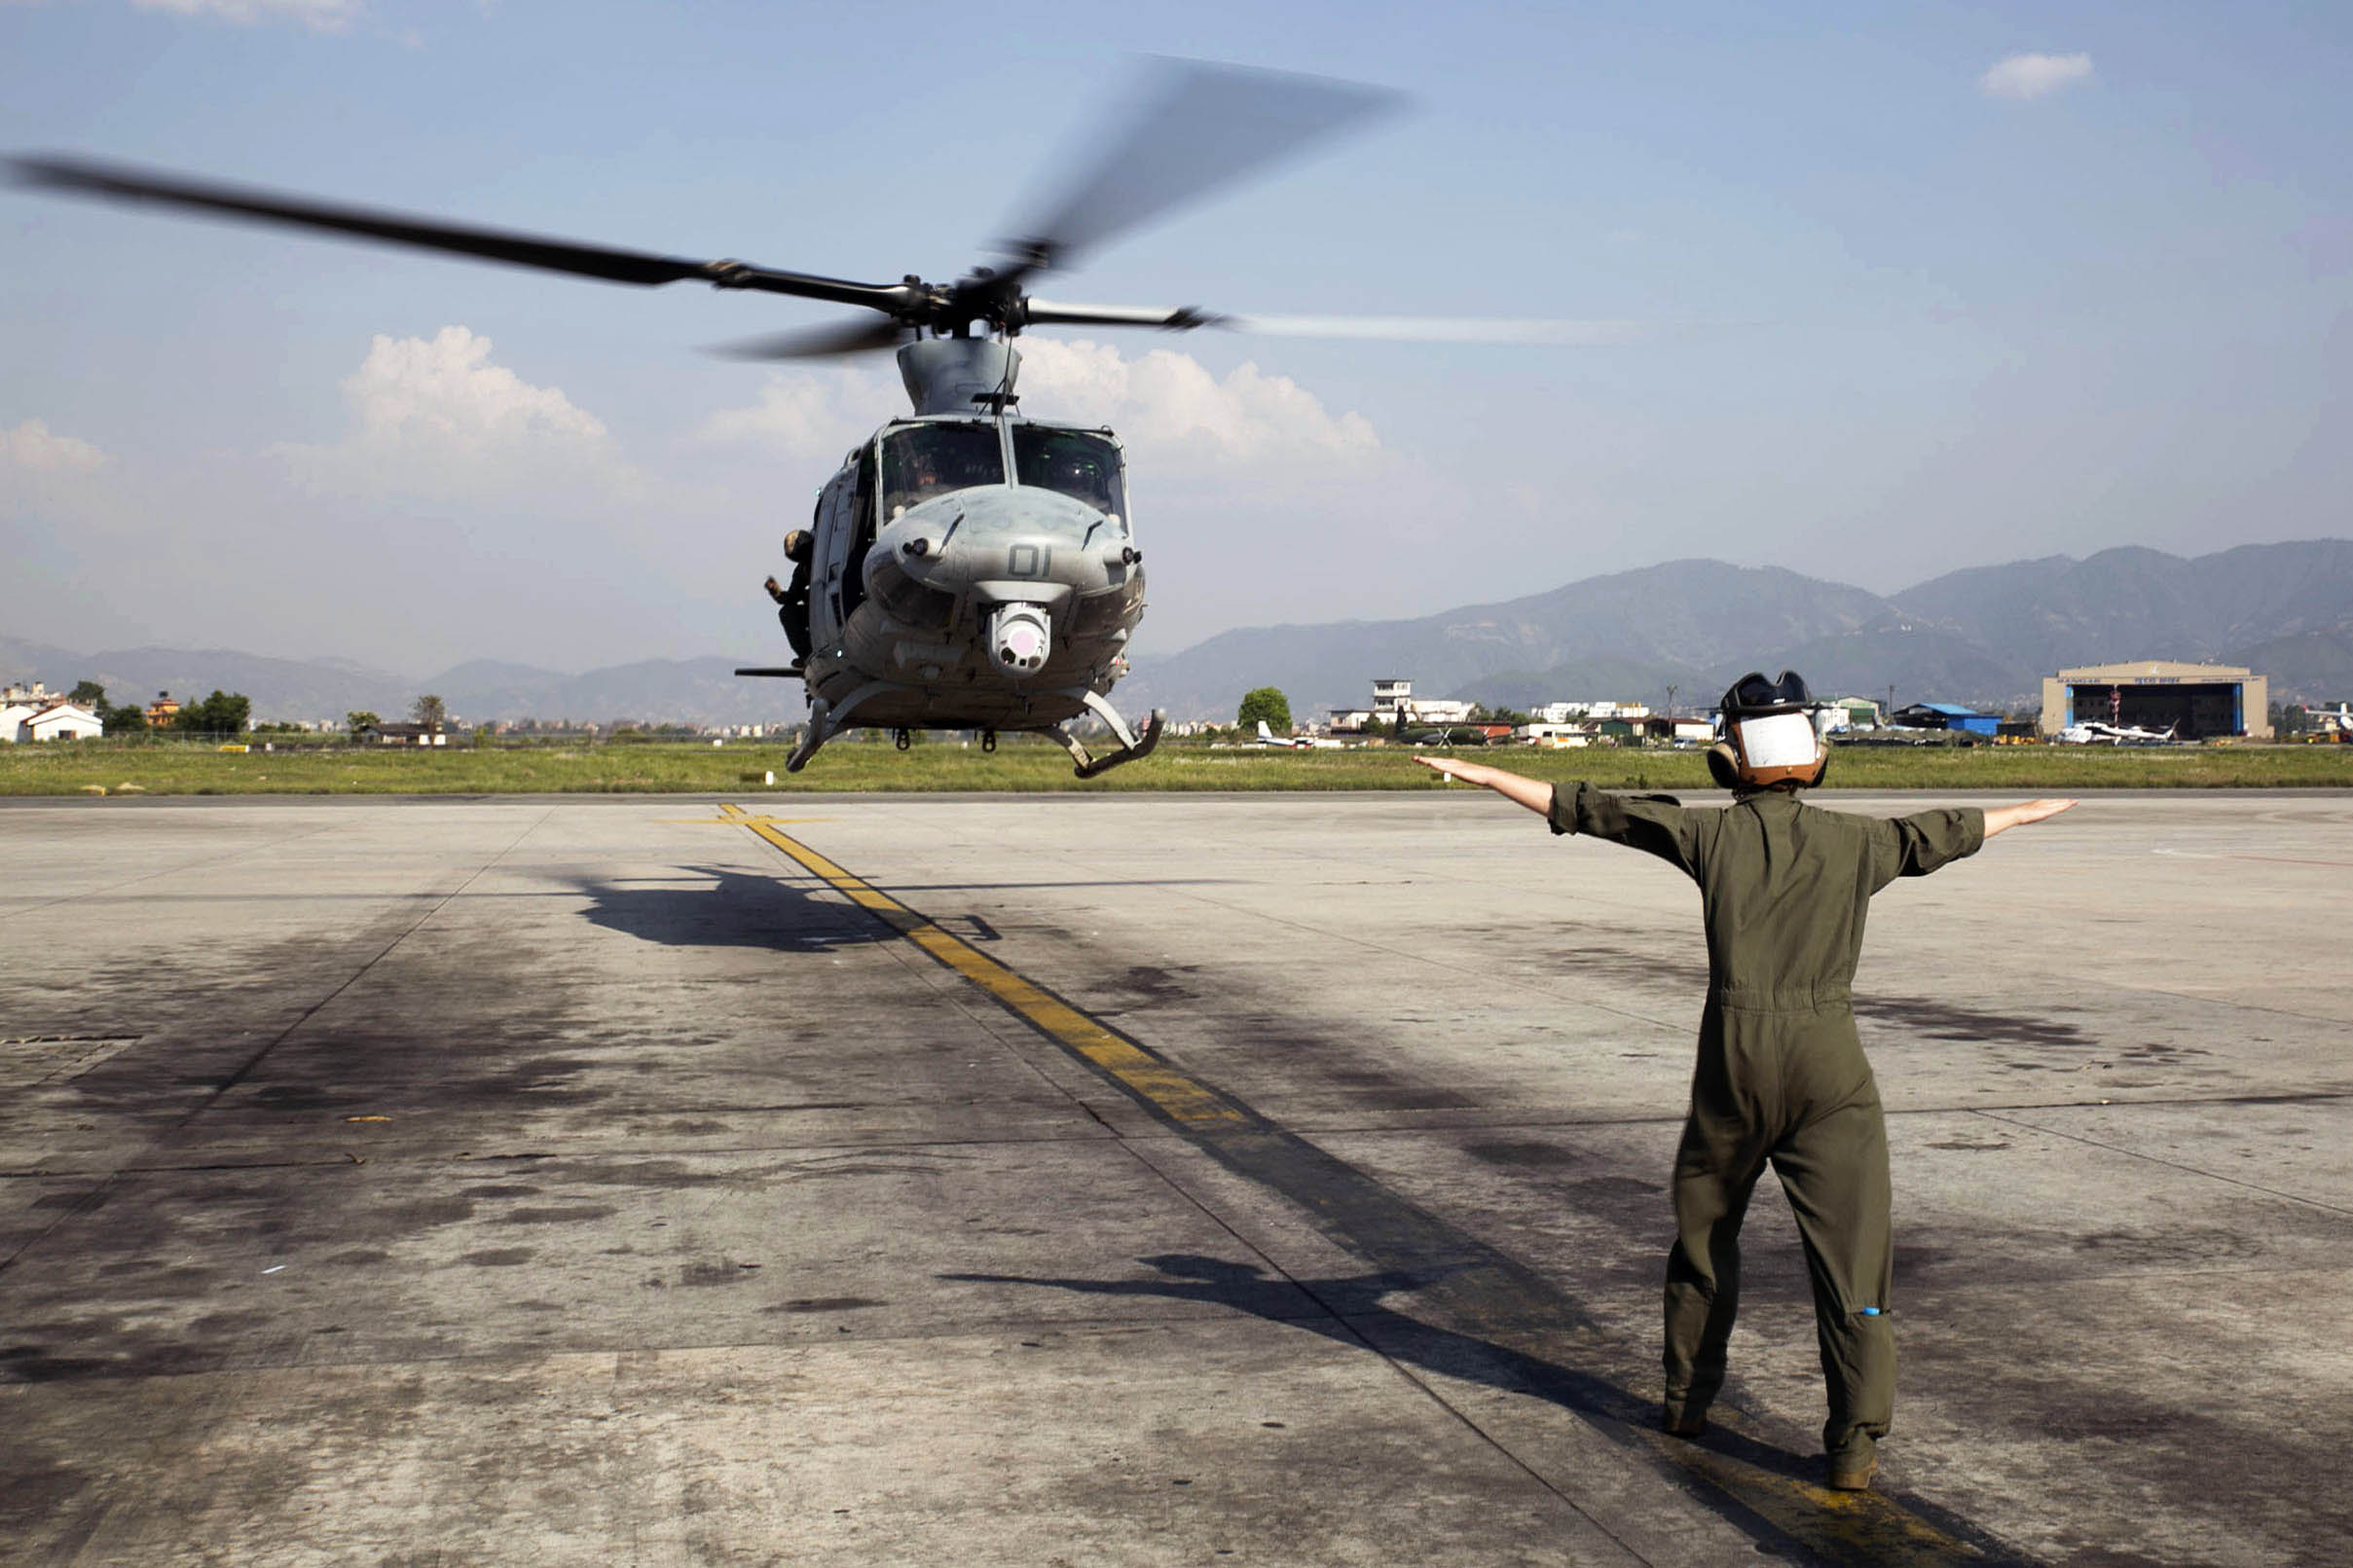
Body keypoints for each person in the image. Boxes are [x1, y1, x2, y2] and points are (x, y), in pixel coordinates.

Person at [1415, 670, 2076, 1492]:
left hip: (1731, 1058)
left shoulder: (1706, 837)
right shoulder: (1858, 843)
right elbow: (1942, 830)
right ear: (1815, 757)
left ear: (1730, 761)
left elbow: (1588, 808)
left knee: (1704, 1239)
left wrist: (1482, 773)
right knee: (1854, 1265)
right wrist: (2019, 814)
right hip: (1829, 1064)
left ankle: (1687, 1400)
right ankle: (1852, 1448)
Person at [765, 529, 815, 668]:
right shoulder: (803, 569)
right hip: (816, 612)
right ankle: (807, 654)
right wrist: (776, 591)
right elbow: (792, 597)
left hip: (827, 609)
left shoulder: (823, 558)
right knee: (787, 613)